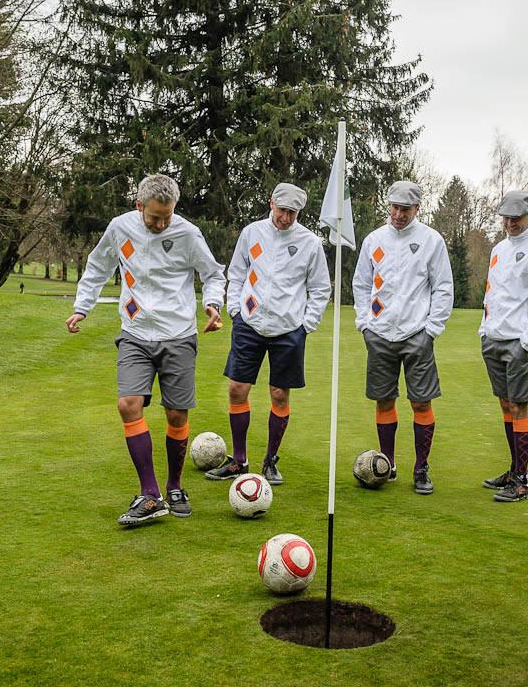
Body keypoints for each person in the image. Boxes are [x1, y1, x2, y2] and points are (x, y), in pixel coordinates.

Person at [66, 174, 225, 526]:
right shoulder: (120, 228)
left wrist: (213, 304)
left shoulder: (188, 233)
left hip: (178, 334)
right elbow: (97, 267)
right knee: (128, 404)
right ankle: (150, 493)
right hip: (135, 332)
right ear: (139, 206)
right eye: (154, 217)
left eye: (168, 216)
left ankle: (175, 486)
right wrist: (81, 307)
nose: (162, 223)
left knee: (176, 415)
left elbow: (213, 274)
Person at [205, 183, 330, 485]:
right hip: (249, 323)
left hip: (289, 330)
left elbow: (320, 288)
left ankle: (270, 461)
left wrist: (307, 325)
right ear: (271, 202)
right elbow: (237, 273)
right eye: (282, 210)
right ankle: (239, 460)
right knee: (237, 389)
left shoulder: (310, 242)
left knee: (279, 394)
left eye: (292, 213)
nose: (286, 218)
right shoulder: (252, 233)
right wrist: (235, 309)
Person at [352, 181, 453, 494]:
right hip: (379, 334)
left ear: (417, 209)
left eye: (405, 209)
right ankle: (388, 464)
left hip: (417, 334)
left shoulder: (431, 240)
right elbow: (361, 284)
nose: (398, 214)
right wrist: (365, 324)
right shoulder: (374, 240)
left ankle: (421, 468)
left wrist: (432, 329)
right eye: (394, 207)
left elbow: (443, 287)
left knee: (421, 402)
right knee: (384, 400)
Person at [479, 190, 528, 502]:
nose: (510, 223)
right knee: (505, 404)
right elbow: (493, 292)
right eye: (506, 217)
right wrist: (484, 329)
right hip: (494, 337)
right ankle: (514, 470)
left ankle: (522, 479)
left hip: (519, 342)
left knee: (518, 406)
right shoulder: (499, 249)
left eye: (516, 218)